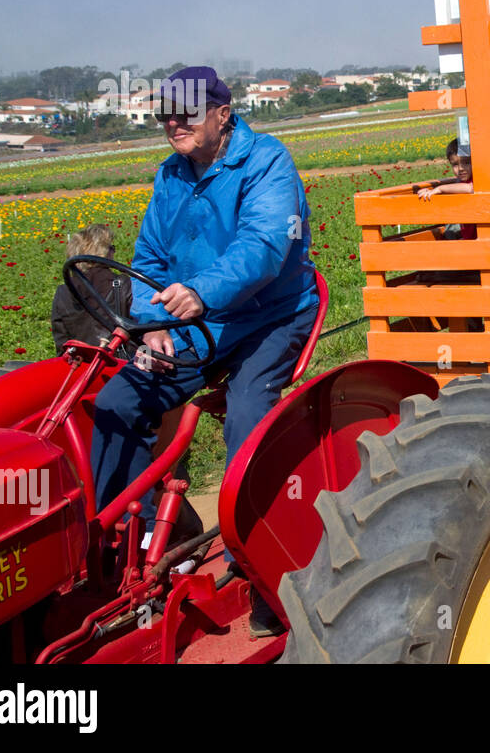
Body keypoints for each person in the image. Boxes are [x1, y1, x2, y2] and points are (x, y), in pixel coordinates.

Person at [90, 67, 318, 604]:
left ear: (222, 112)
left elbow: (264, 245)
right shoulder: (170, 176)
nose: (173, 123)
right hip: (194, 323)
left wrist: (200, 290)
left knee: (245, 422)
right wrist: (152, 323)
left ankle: (265, 564)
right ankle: (137, 538)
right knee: (118, 401)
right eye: (164, 114)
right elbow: (147, 260)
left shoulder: (265, 162)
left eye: (185, 112)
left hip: (269, 315)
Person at [51, 223, 132, 353]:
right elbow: (141, 335)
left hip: (81, 365)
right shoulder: (123, 284)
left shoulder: (63, 292)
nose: (114, 251)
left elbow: (62, 345)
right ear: (103, 253)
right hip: (119, 366)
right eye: (111, 248)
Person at [419, 138, 476, 240]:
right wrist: (431, 192)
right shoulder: (460, 182)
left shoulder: (477, 180)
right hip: (468, 236)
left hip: (481, 237)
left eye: (466, 162)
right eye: (455, 164)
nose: (461, 168)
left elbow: (470, 188)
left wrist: (440, 189)